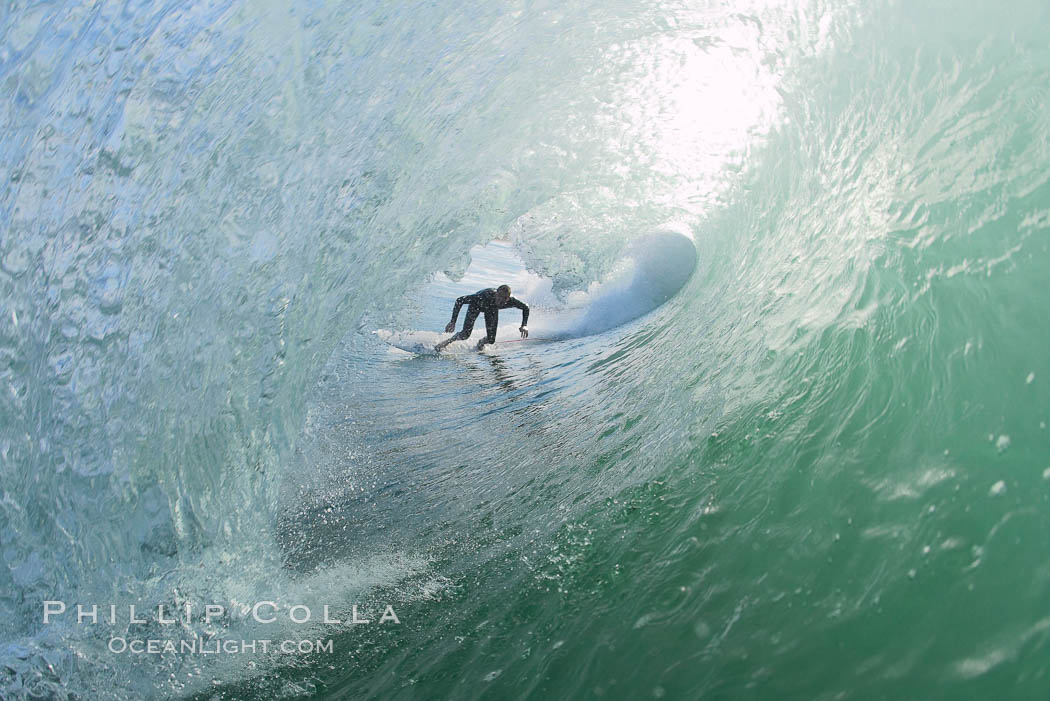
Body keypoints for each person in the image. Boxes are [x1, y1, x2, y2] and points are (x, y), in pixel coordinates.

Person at [435, 284, 529, 351]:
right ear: (496, 294)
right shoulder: (482, 296)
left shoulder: (511, 301)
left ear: (508, 298)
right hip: (476, 306)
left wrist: (524, 325)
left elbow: (526, 307)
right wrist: (453, 321)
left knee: (491, 340)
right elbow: (460, 300)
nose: (501, 300)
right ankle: (446, 342)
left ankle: (480, 343)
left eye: (504, 298)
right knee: (465, 335)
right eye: (499, 296)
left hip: (491, 310)